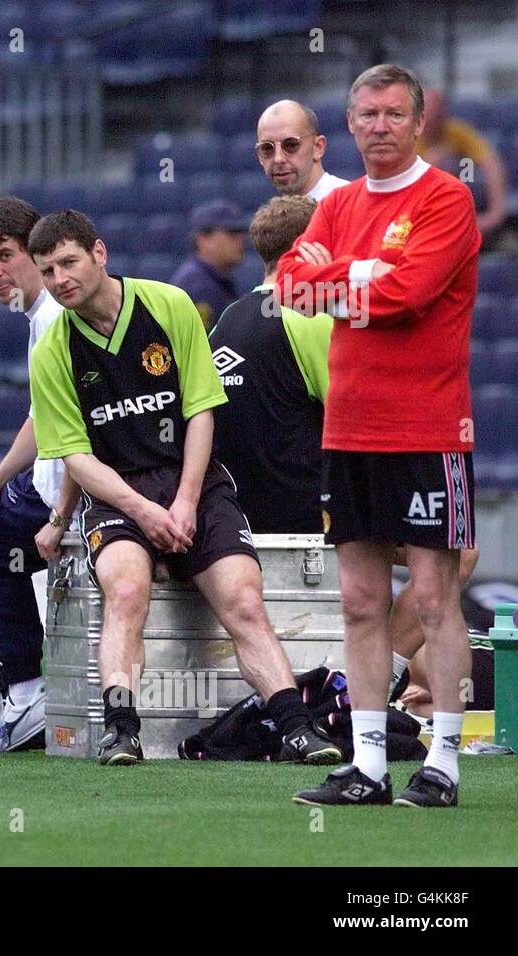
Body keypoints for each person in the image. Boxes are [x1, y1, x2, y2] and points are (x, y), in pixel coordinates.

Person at [27, 211, 341, 766]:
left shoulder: (169, 304)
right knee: (125, 592)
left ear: (99, 253)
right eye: (47, 270)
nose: (59, 280)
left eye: (68, 262)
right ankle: (122, 730)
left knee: (243, 599)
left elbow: (200, 410)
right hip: (117, 493)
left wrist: (187, 501)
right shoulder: (52, 350)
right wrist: (141, 511)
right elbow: (76, 456)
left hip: (195, 481)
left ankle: (296, 726)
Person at [277, 64, 481, 808]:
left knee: (432, 596)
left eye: (394, 113)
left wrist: (349, 276)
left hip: (427, 425)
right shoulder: (337, 205)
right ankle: (366, 765)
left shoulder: (447, 199)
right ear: (351, 124)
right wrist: (361, 272)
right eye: (368, 113)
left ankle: (446, 763)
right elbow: (293, 284)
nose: (380, 125)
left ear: (417, 122)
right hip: (350, 427)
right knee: (361, 600)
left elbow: (408, 293)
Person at [0, 196, 81, 750]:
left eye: (5, 255)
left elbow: (81, 429)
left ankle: (27, 692)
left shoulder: (55, 317)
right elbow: (42, 412)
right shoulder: (39, 314)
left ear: (35, 249)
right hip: (46, 485)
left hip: (74, 496)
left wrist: (60, 514)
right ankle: (26, 690)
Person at [209, 195, 333, 533]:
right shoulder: (312, 316)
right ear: (311, 246)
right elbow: (357, 420)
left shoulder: (227, 319)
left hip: (236, 525)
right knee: (459, 554)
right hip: (310, 522)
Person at [419, 88, 509, 239]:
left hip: (460, 207)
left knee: (468, 171)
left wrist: (495, 214)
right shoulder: (403, 138)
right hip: (420, 216)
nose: (431, 120)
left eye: (435, 113)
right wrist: (427, 164)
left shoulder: (456, 132)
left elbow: (491, 163)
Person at [169, 200, 248, 330]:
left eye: (240, 233)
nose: (241, 240)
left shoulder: (215, 279)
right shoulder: (197, 286)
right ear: (203, 239)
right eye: (231, 233)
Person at [255, 99, 350, 200]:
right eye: (267, 148)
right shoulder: (273, 212)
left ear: (318, 147)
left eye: (291, 145)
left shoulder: (348, 201)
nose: (278, 159)